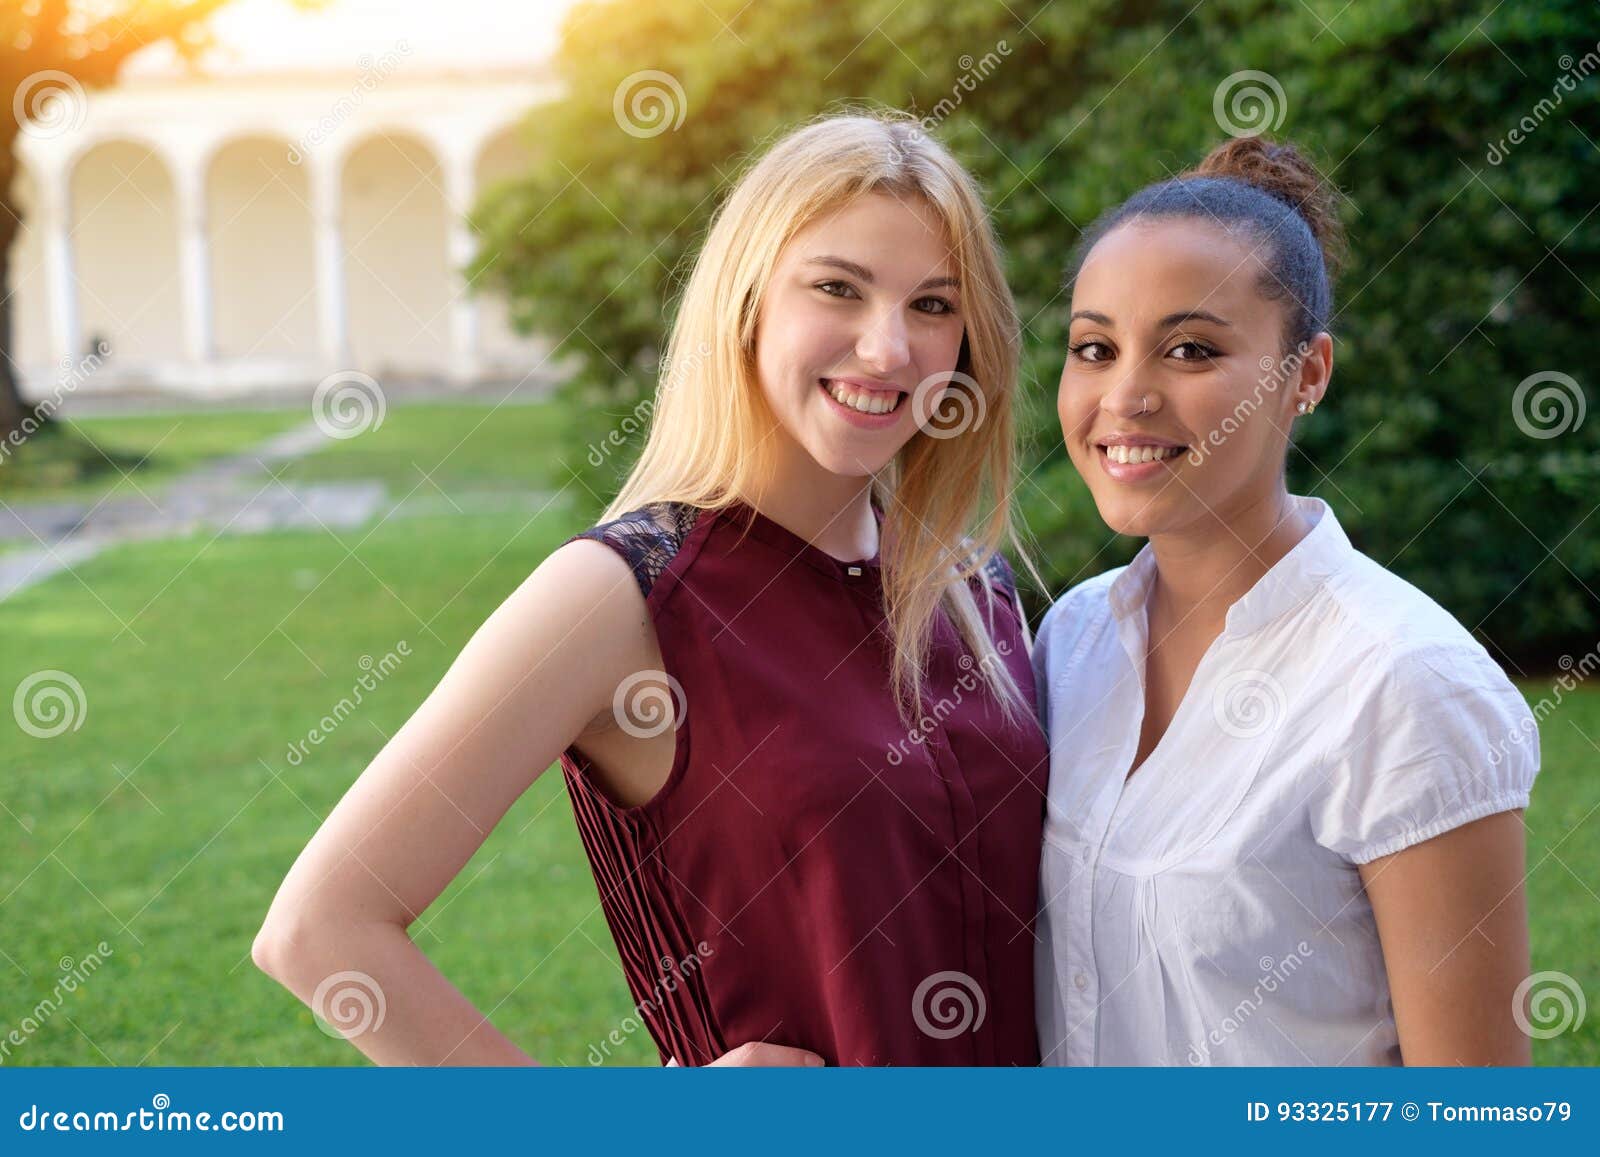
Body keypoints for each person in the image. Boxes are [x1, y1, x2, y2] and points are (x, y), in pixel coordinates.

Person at [253, 111, 1050, 1067]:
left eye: (933, 305)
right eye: (838, 288)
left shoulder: (974, 587)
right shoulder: (619, 595)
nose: (888, 349)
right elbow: (321, 929)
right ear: (746, 302)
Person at [1033, 135, 1540, 1066]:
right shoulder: (1070, 641)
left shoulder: (1404, 685)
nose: (1126, 395)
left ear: (1307, 373)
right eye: (1094, 348)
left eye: (1190, 349)